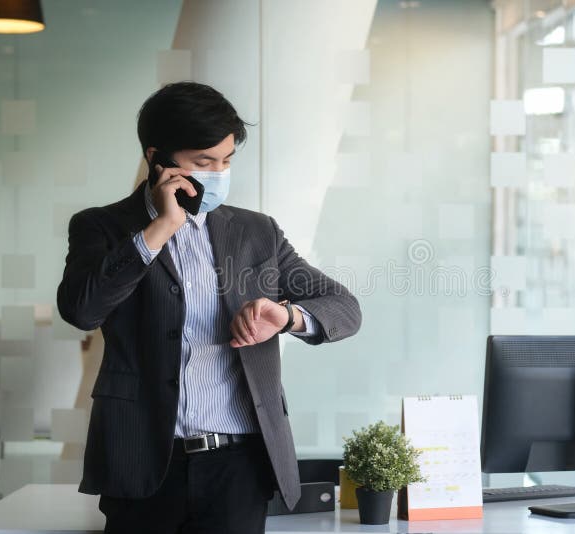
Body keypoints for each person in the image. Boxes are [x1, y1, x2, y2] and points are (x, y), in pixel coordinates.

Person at [56, 81, 362, 534]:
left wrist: (287, 317)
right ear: (157, 158)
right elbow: (83, 310)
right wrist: (159, 229)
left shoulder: (257, 232)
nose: (218, 172)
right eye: (204, 162)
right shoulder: (101, 227)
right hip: (144, 463)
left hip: (239, 467)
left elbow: (344, 307)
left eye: (226, 161)